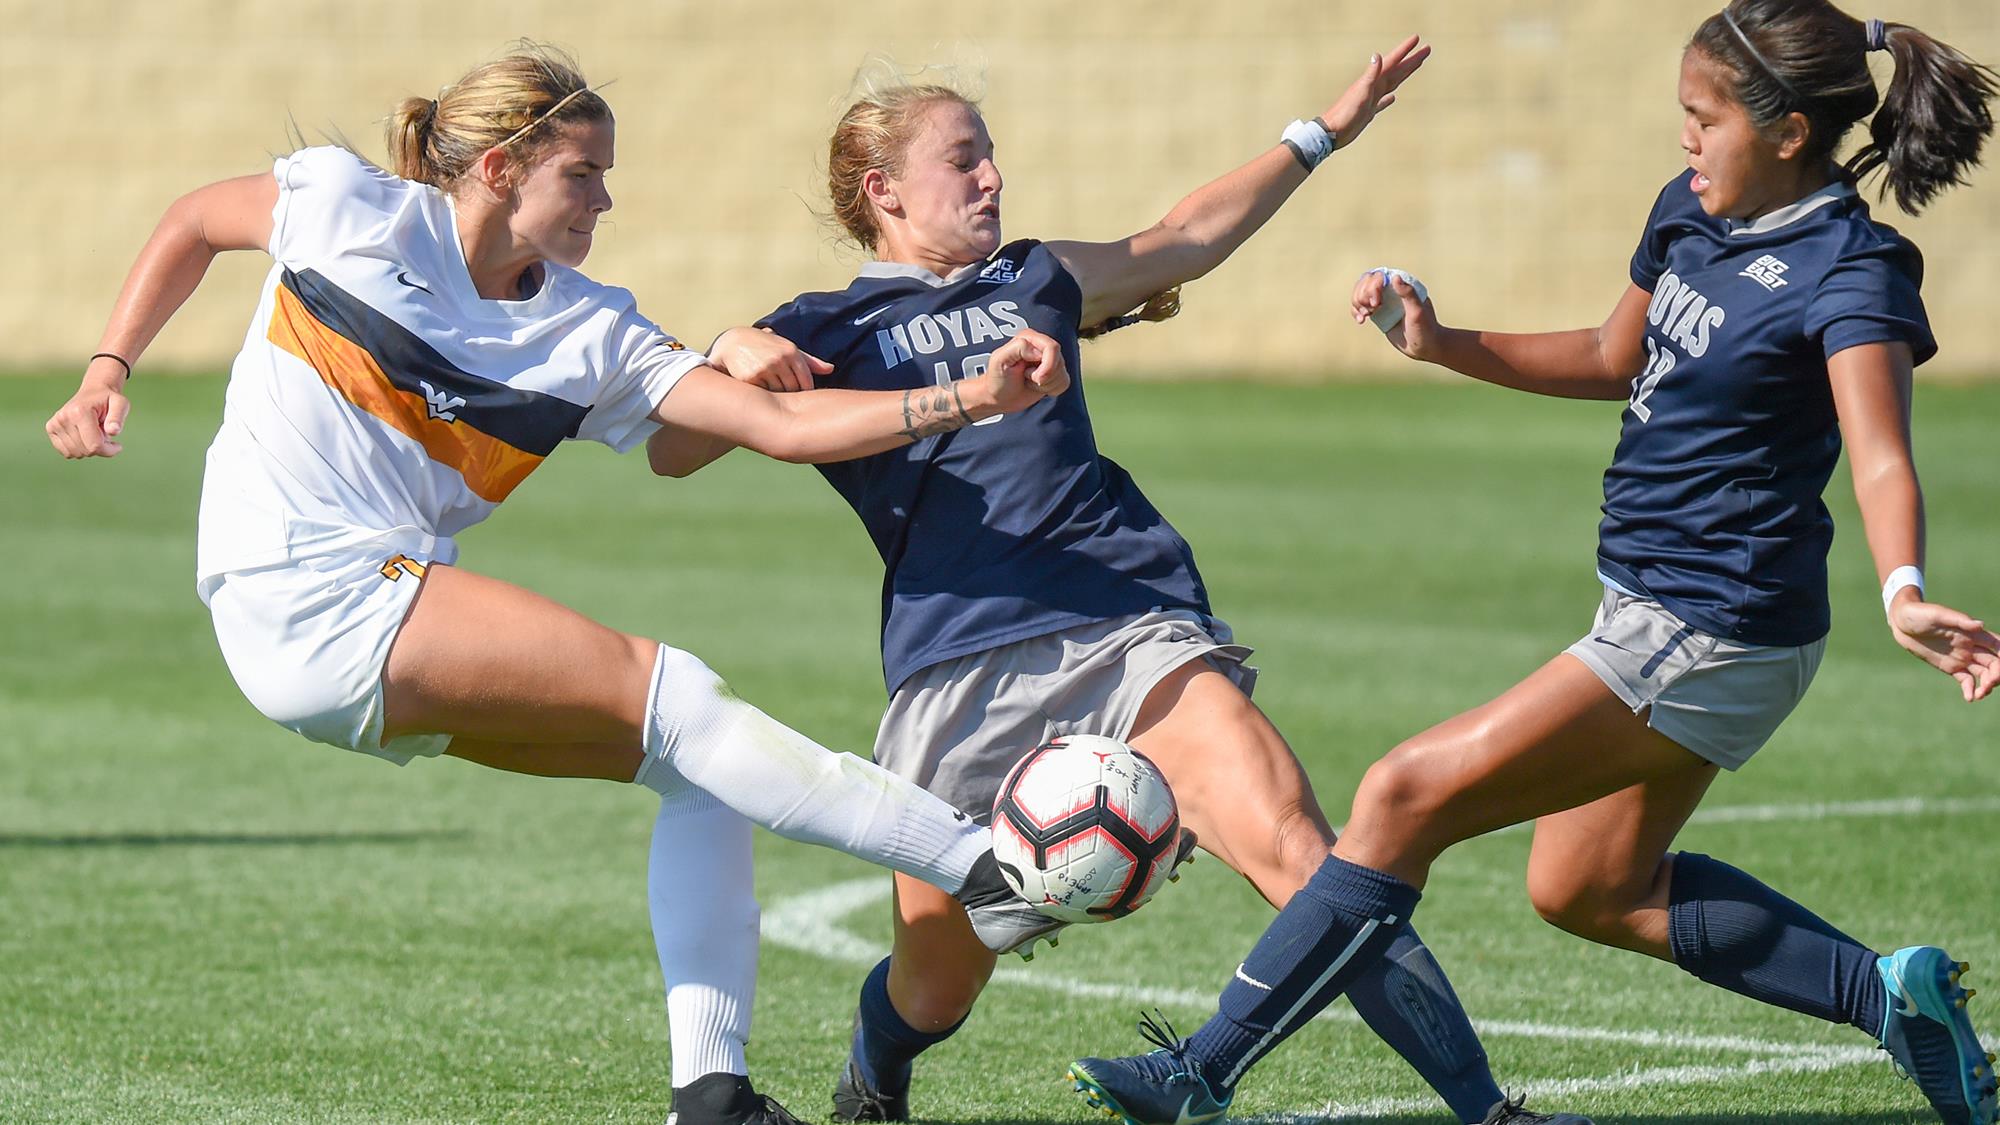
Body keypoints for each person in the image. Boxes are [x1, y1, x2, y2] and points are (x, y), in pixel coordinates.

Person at [40, 44, 1076, 1125]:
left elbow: (771, 426)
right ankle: (985, 866)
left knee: (700, 772)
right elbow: (196, 218)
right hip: (315, 595)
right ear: (498, 169)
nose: (605, 197)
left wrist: (962, 398)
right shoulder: (349, 208)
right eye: (582, 173)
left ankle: (710, 1096)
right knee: (678, 696)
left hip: (344, 619)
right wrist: (109, 367)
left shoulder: (590, 330)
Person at [1070, 3, 2000, 1123]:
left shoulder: (1849, 270)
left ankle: (1199, 1073)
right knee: (1586, 890)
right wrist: (1442, 341)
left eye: (1701, 120)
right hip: (1654, 611)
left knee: (1400, 792)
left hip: (1715, 627)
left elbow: (1881, 456)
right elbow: (1615, 355)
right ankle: (1886, 998)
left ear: (1789, 132)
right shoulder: (1689, 214)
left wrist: (1900, 590)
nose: (1683, 141)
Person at [656, 39, 1588, 1125]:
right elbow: (675, 452)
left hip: (1125, 622)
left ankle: (1490, 1113)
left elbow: (1184, 238)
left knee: (1305, 853)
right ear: (883, 192)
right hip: (954, 669)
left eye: (990, 156)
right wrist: (724, 351)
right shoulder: (821, 328)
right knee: (935, 984)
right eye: (964, 161)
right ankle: (876, 1070)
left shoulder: (1037, 277)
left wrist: (1320, 131)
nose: (991, 178)